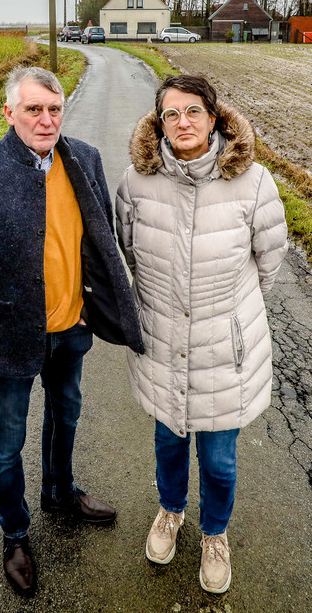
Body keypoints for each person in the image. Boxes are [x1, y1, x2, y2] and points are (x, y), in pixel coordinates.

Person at [0, 65, 145, 597]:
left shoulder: (84, 159)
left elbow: (97, 242)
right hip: (7, 335)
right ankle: (15, 535)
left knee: (67, 414)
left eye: (54, 109)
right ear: (10, 113)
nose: (46, 119)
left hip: (71, 328)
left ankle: (60, 492)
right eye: (34, 109)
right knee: (7, 442)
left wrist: (93, 309)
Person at [115, 73, 287, 594]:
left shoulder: (254, 183)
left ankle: (215, 533)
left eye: (193, 111)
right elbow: (125, 250)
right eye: (171, 114)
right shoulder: (135, 182)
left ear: (214, 118)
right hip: (163, 342)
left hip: (223, 351)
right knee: (168, 441)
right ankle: (170, 512)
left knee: (218, 458)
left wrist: (231, 316)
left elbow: (270, 260)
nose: (183, 122)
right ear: (159, 123)